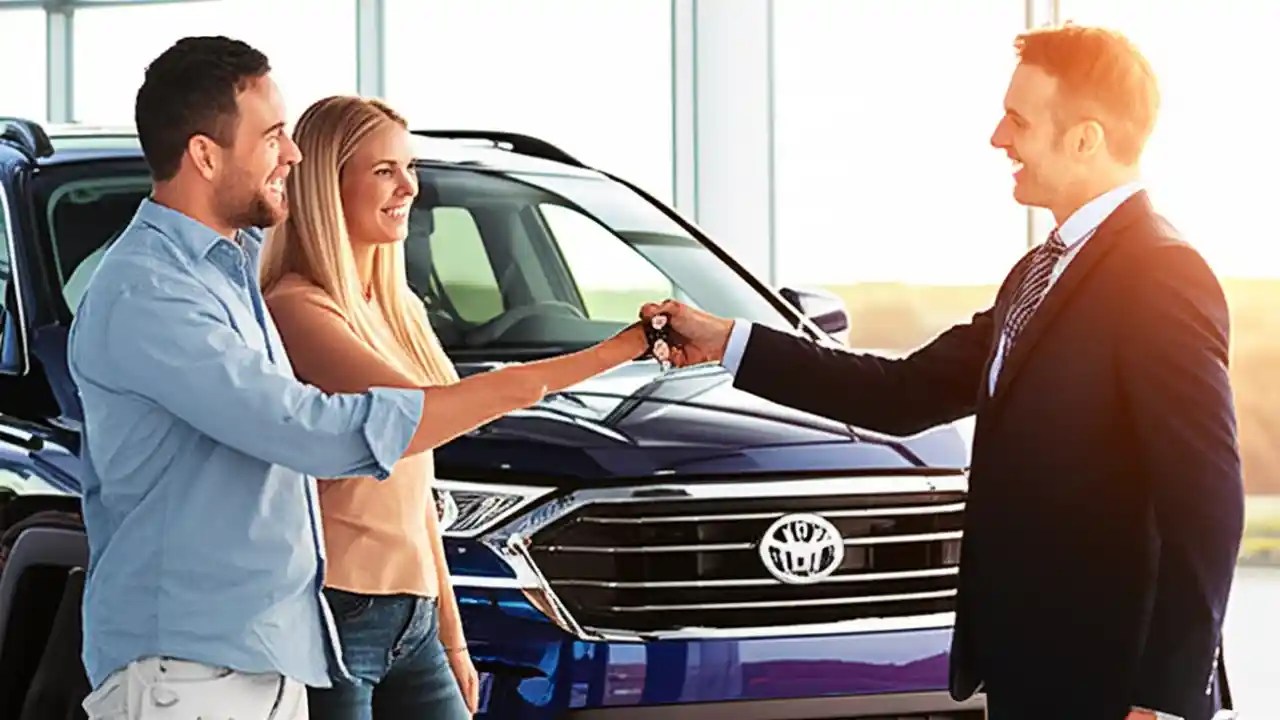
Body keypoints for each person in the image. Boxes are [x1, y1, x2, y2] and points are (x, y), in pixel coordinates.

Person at [642, 23, 1243, 720]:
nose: (998, 138)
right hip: (1032, 675)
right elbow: (900, 394)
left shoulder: (1161, 272)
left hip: (1110, 689)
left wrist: (1164, 701)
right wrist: (727, 341)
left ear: (1085, 139)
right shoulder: (1040, 272)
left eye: (1018, 121)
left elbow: (1206, 501)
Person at [68, 39, 646, 720]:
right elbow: (311, 431)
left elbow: (405, 481)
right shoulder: (154, 293)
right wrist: (593, 361)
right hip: (192, 671)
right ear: (204, 154)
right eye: (273, 136)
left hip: (263, 657)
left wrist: (449, 632)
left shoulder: (226, 275)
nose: (292, 154)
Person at [256, 94, 649, 719]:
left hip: (414, 618)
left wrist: (451, 635)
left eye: (409, 167)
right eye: (384, 170)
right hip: (336, 613)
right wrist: (621, 349)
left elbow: (418, 495)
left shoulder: (398, 309)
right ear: (328, 185)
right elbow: (419, 417)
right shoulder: (298, 309)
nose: (408, 187)